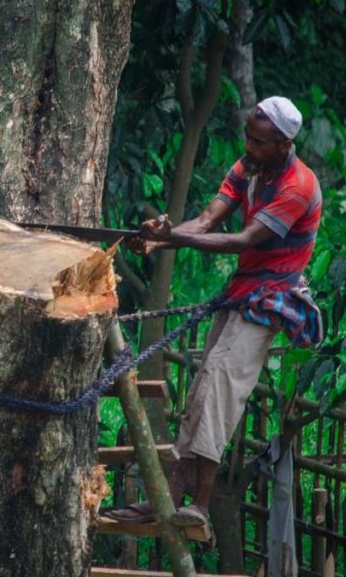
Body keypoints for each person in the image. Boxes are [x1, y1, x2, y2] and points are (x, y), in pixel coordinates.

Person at [104, 96, 322, 528]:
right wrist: (161, 237)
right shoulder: (248, 168)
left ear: (282, 144)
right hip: (242, 293)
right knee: (203, 388)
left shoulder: (298, 186)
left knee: (221, 389)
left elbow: (243, 241)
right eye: (248, 136)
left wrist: (168, 241)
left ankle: (199, 506)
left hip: (270, 299)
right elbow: (204, 221)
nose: (248, 146)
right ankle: (168, 498)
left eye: (258, 142)